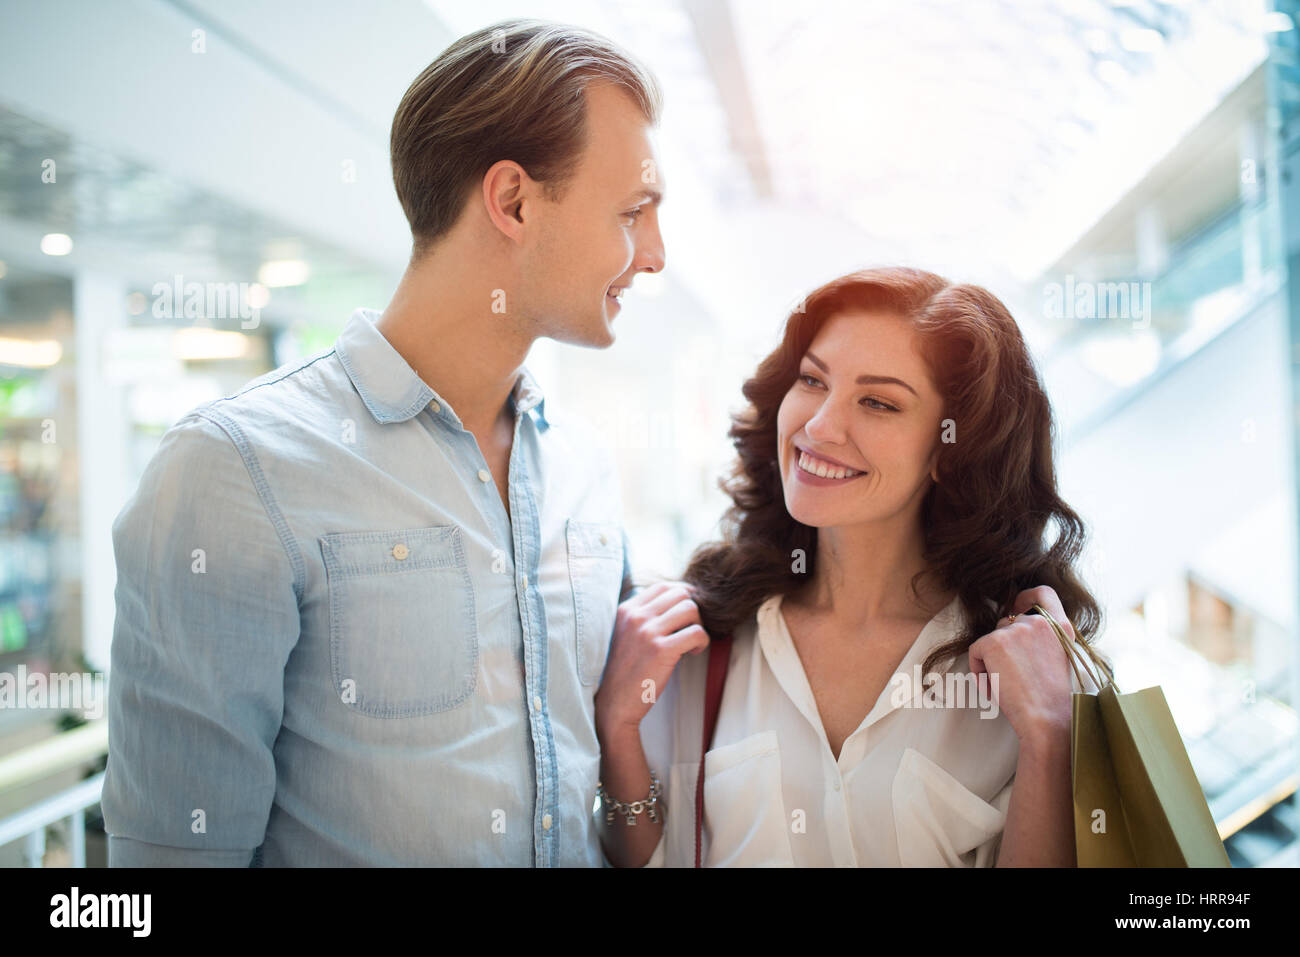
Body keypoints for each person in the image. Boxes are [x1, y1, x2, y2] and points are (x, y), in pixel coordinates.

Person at [101, 19, 691, 866]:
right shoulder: (233, 471)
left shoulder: (583, 472)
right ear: (514, 201)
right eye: (634, 212)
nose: (657, 254)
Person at [593, 266, 1110, 867]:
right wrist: (617, 730)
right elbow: (658, 860)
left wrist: (1050, 735)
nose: (818, 425)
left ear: (954, 447)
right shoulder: (697, 640)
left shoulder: (1032, 678)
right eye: (813, 380)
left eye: (878, 402)